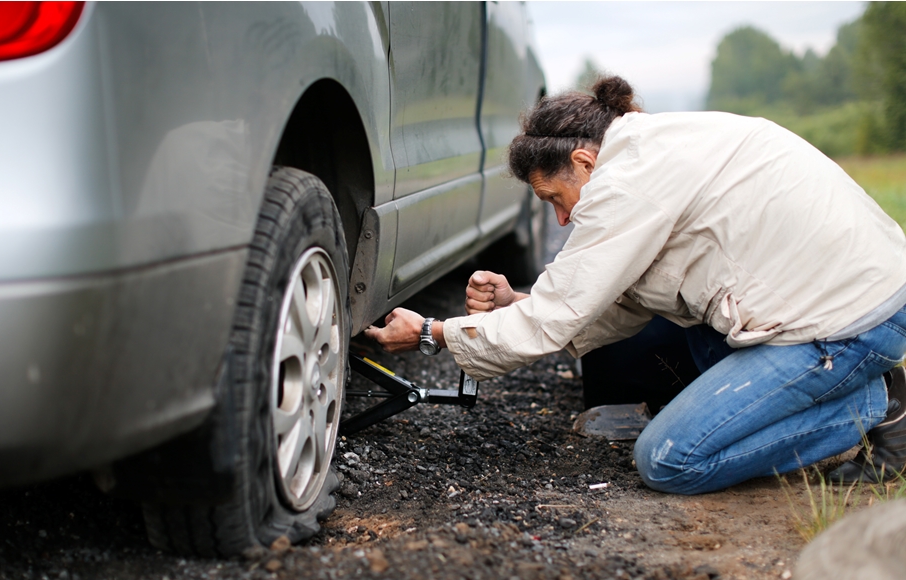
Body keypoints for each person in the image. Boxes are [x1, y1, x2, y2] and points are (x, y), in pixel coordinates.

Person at [364, 75, 906, 495]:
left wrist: (431, 333)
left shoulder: (626, 183)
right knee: (689, 332)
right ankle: (861, 389)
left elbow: (560, 317)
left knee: (668, 460)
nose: (559, 221)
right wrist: (518, 303)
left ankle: (873, 406)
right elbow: (620, 297)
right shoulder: (648, 148)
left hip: (847, 323)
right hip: (856, 291)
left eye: (556, 198)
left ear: (583, 161)